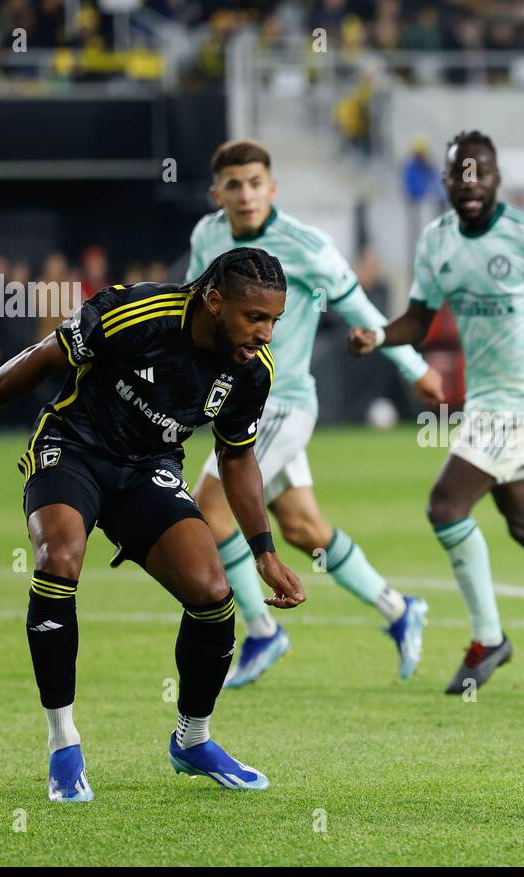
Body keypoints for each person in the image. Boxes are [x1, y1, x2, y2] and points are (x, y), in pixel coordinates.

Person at [0, 248, 305, 802]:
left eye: (274, 320)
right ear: (215, 299)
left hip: (148, 470)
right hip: (73, 447)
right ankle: (64, 744)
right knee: (59, 559)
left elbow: (236, 457)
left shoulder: (251, 372)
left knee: (212, 592)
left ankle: (193, 740)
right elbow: (42, 357)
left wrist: (264, 550)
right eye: (256, 318)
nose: (267, 333)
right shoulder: (139, 313)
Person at [350, 130, 524, 694]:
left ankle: (489, 636)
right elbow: (419, 319)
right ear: (445, 182)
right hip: (486, 402)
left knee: (446, 507)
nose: (470, 185)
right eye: (459, 175)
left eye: (481, 174)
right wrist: (379, 335)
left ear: (496, 180)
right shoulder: (438, 240)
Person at [188, 140, 443, 687]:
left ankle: (260, 630)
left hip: (281, 403)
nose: (246, 193)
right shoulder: (207, 236)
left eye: (256, 182)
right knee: (304, 529)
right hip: (233, 404)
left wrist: (415, 369)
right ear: (218, 193)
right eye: (234, 184)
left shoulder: (306, 246)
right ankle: (400, 609)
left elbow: (363, 311)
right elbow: (189, 312)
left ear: (272, 187)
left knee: (210, 510)